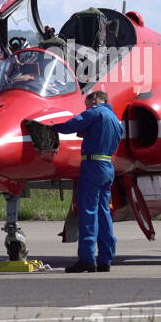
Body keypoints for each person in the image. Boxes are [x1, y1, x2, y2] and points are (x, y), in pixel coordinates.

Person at [49, 90, 123, 273]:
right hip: (108, 166)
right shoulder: (115, 119)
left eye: (87, 103)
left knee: (88, 211)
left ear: (95, 100)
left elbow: (71, 126)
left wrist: (50, 127)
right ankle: (105, 258)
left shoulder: (95, 112)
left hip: (92, 166)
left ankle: (87, 259)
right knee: (104, 212)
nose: (86, 107)